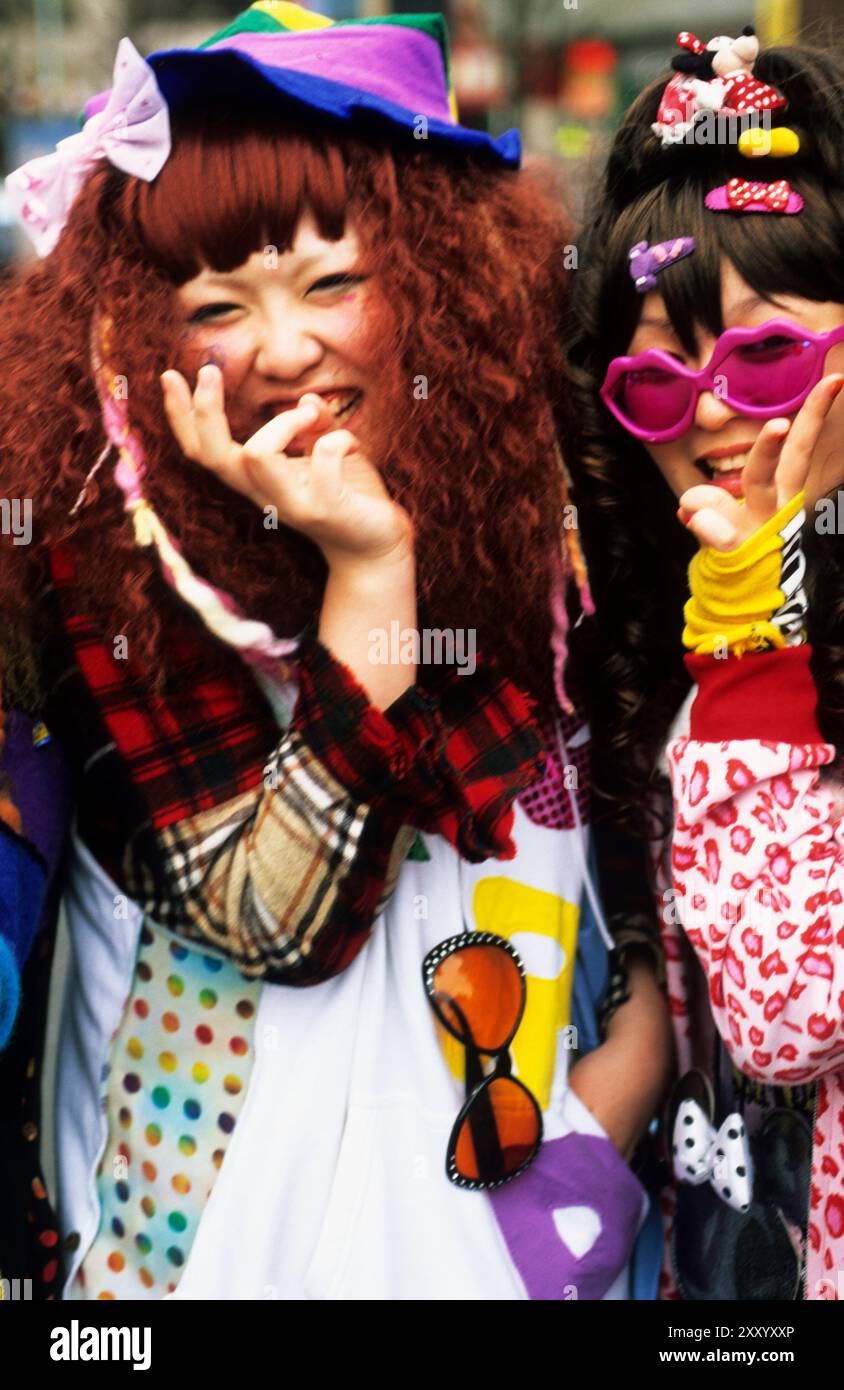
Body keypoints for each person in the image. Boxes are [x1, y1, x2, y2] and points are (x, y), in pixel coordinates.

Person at [0, 3, 670, 1301]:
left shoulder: (551, 512)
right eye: (217, 303)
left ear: (432, 281)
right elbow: (277, 914)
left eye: (329, 282)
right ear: (145, 328)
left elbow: (631, 820)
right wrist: (371, 582)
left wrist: (621, 1077)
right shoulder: (107, 562)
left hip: (506, 1247)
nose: (283, 349)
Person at [566, 25, 844, 1300]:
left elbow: (785, 1020)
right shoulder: (666, 612)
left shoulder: (735, 620)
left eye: (765, 353)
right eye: (656, 382)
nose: (716, 412)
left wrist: (752, 634)